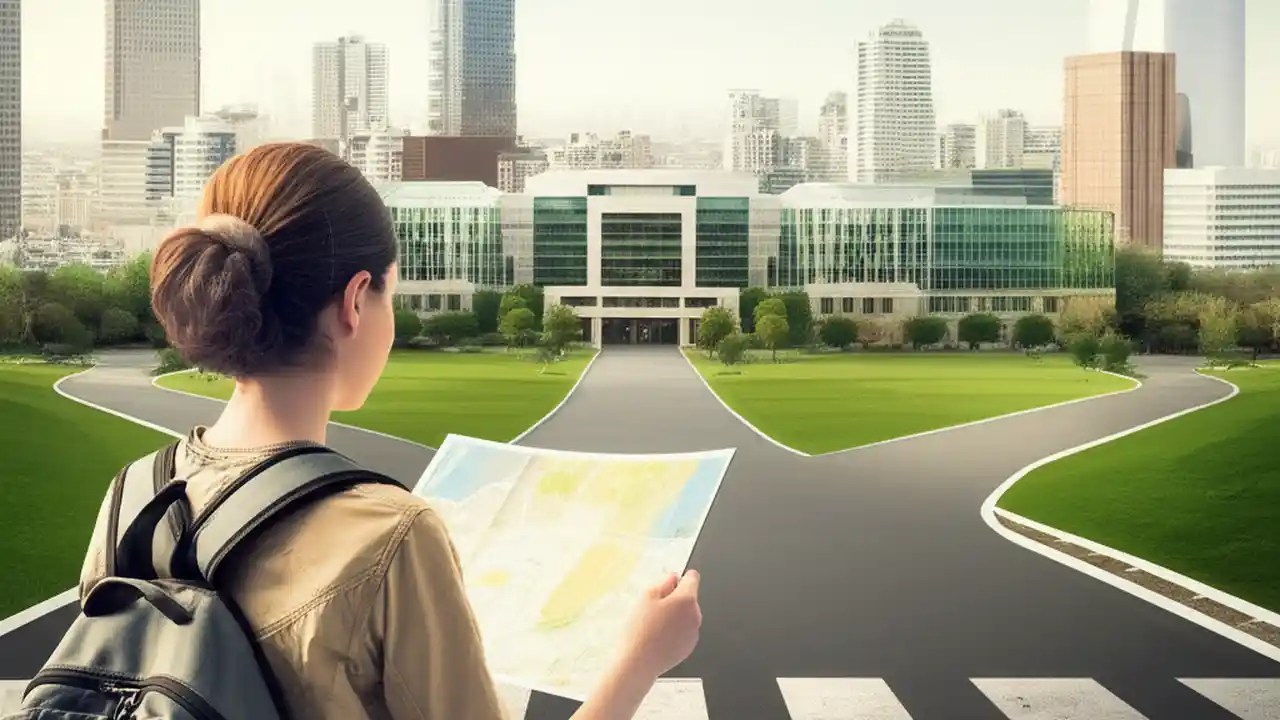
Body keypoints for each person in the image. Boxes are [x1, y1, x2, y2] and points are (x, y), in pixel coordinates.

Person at [77, 143, 703, 719]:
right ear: (355, 302)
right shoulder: (392, 535)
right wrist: (639, 659)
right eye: (390, 295)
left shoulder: (130, 498)